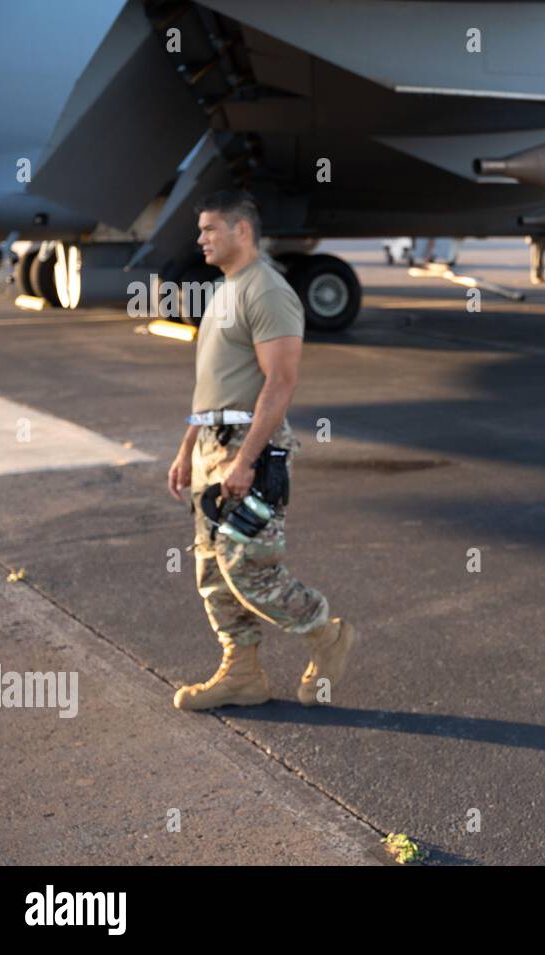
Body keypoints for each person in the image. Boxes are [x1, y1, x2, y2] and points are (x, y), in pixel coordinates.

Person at [165, 190, 356, 710]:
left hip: (250, 446)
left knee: (247, 565)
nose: (200, 238)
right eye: (200, 230)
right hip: (211, 445)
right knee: (211, 571)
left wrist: (246, 459)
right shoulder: (226, 289)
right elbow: (212, 385)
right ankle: (243, 674)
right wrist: (187, 449)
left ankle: (325, 633)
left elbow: (282, 381)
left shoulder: (267, 290)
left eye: (210, 229)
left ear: (241, 230)